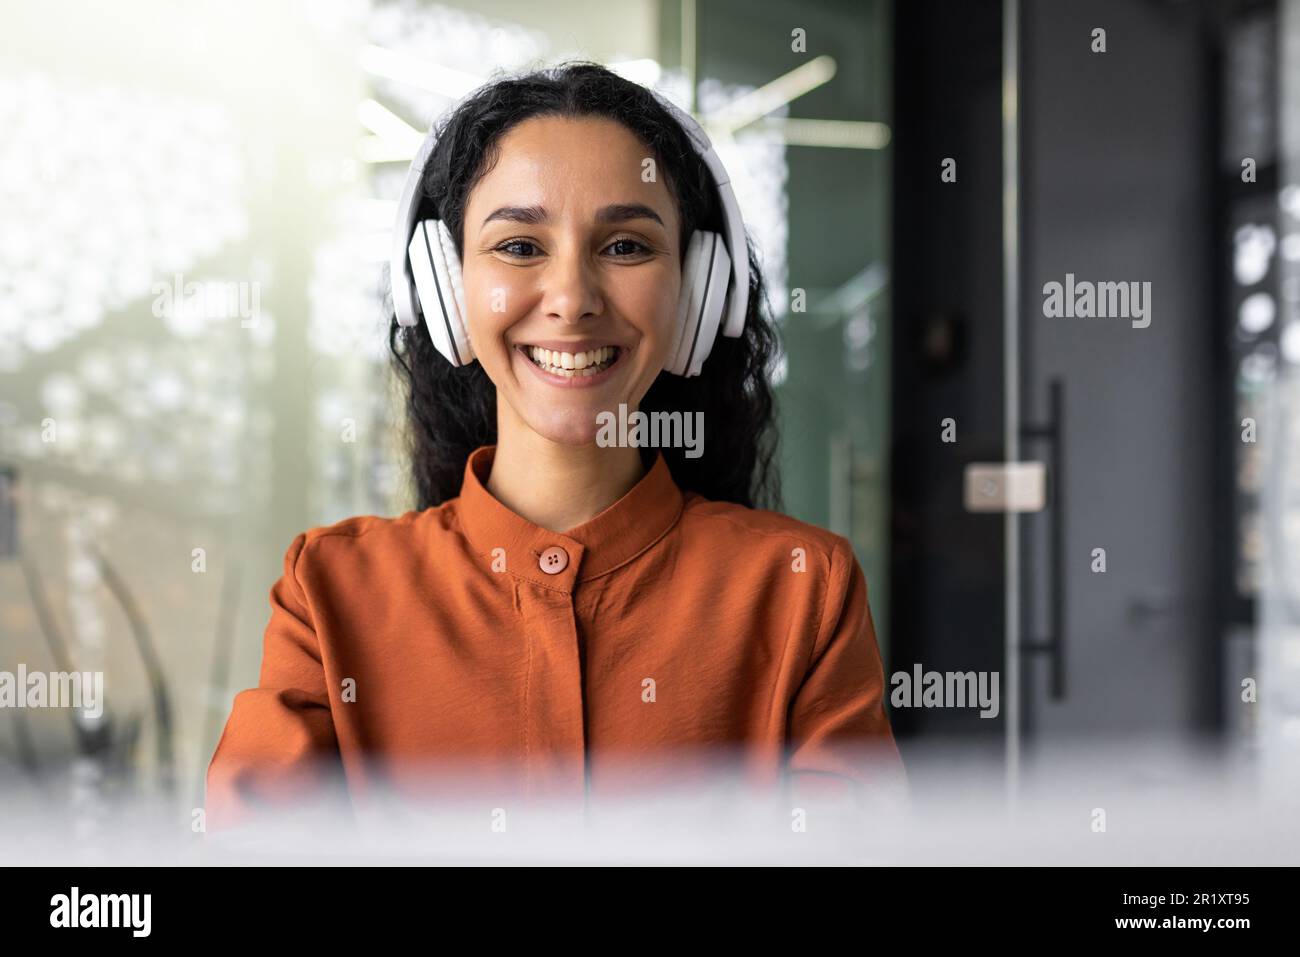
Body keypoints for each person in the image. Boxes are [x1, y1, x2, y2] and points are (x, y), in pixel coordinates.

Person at [205, 61, 904, 838]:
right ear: (443, 288)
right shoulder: (330, 594)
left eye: (628, 246)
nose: (572, 298)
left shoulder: (803, 591)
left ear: (702, 293)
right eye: (519, 245)